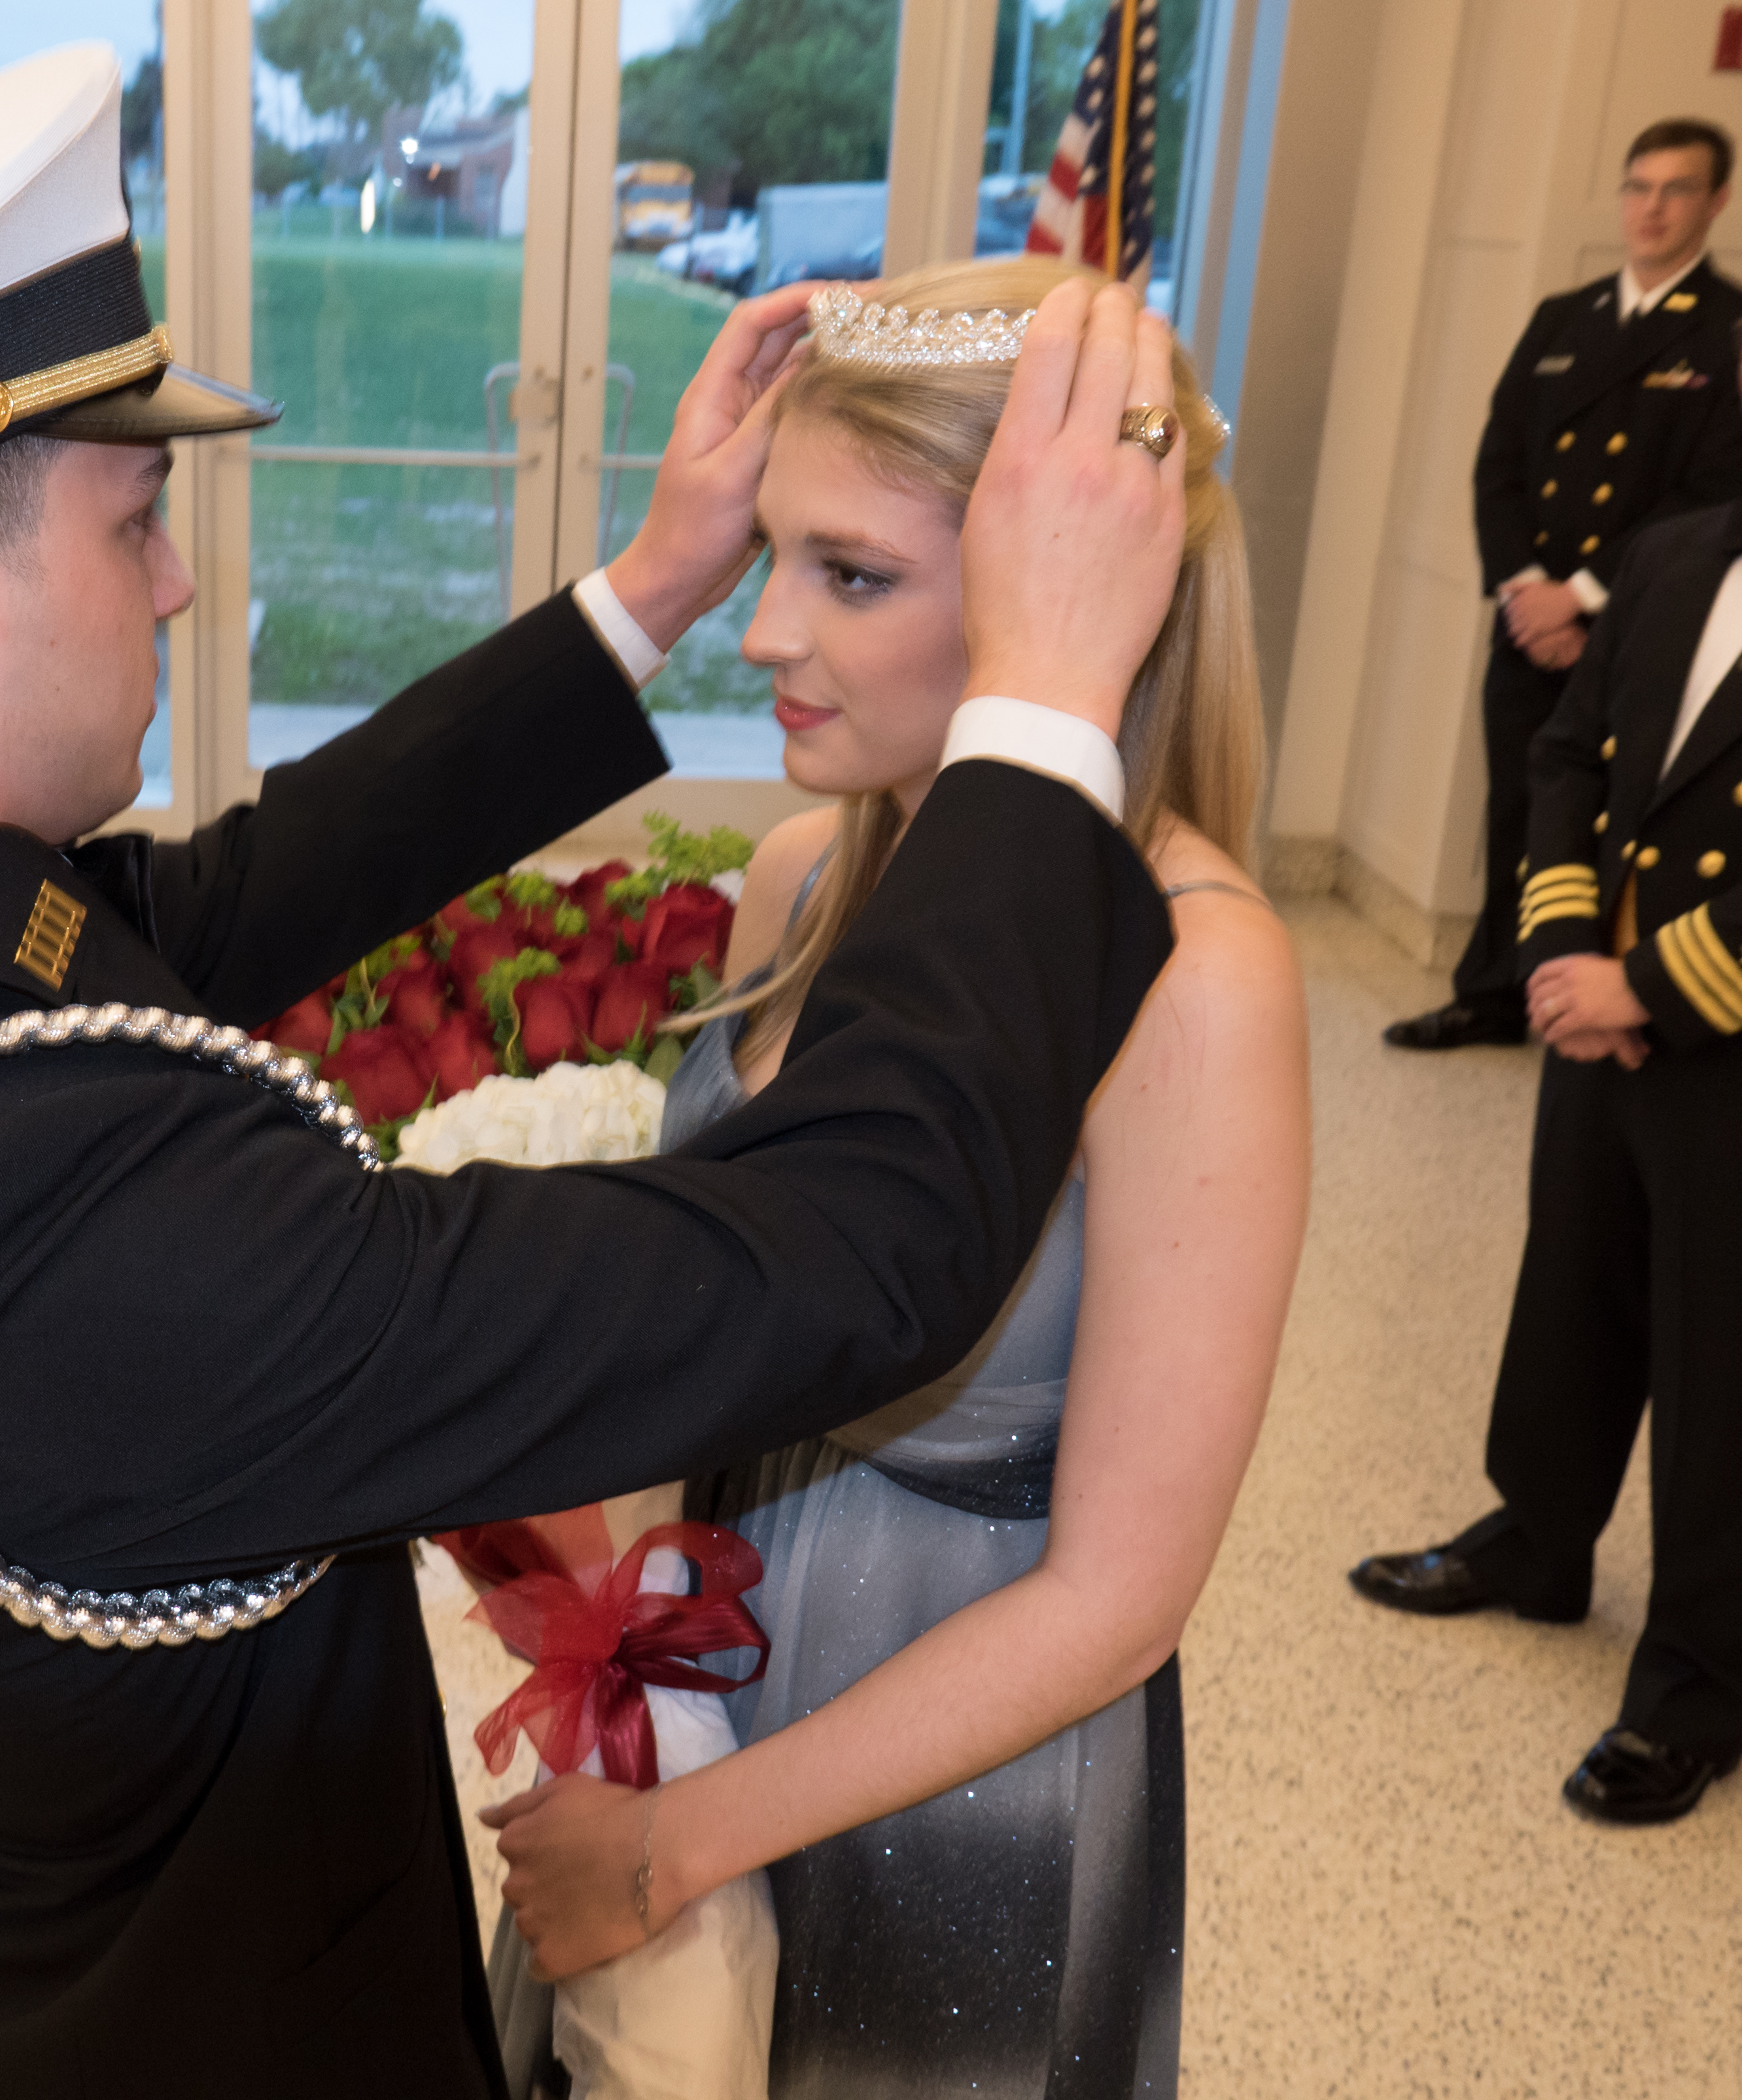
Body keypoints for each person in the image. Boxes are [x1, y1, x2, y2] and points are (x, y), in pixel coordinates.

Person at [0, 44, 1194, 2091]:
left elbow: (199, 918)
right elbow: (853, 1250)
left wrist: (644, 600)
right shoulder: (27, 1205)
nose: (178, 577)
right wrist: (1051, 708)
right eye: (132, 517)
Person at [483, 262, 1309, 2096]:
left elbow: (1122, 1593)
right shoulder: (803, 875)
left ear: (1068, 595)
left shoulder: (1197, 977)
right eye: (773, 555)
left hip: (952, 1756)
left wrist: (677, 1852)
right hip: (702, 1666)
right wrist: (608, 1661)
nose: (765, 633)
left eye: (851, 575)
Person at [1351, 228, 1742, 1825]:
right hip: (1600, 1009)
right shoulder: (1682, 550)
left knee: (1733, 1363)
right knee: (1577, 1289)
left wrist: (1655, 986)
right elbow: (1568, 757)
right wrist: (1563, 955)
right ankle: (1540, 1538)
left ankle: (1701, 1682)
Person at [1389, 118, 1742, 1051]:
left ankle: (1597, 996)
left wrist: (1583, 595)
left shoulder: (1736, 333)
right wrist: (1525, 587)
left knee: (1618, 817)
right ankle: (1494, 993)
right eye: (1639, 187)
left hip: (1638, 622)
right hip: (1529, 619)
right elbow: (1500, 461)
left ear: (1717, 202)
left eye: (1677, 190)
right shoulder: (1566, 319)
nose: (1653, 208)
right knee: (1516, 804)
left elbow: (1712, 490)